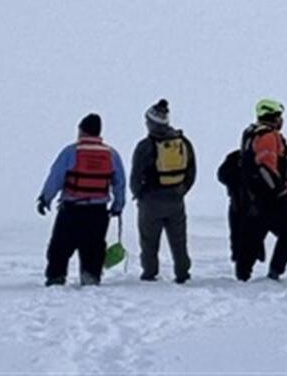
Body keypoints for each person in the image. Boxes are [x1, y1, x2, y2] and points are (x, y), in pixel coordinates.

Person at [37, 113, 125, 286]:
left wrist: (45, 199)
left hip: (71, 210)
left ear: (82, 131)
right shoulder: (111, 154)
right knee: (93, 249)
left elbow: (56, 177)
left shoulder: (71, 151)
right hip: (98, 212)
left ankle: (56, 277)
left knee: (60, 248)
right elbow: (119, 182)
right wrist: (118, 205)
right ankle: (90, 276)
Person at [232, 98, 287, 281]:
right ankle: (274, 272)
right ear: (273, 116)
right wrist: (280, 192)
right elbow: (266, 167)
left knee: (252, 238)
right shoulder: (269, 137)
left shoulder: (250, 133)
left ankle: (243, 275)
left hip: (250, 197)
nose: (282, 120)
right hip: (268, 199)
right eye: (280, 116)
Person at [129, 99, 196, 284]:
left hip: (151, 200)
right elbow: (191, 172)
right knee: (179, 241)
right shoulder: (183, 142)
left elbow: (135, 177)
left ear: (151, 122)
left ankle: (150, 273)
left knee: (149, 241)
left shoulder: (145, 146)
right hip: (176, 199)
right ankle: (182, 273)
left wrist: (140, 194)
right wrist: (181, 190)